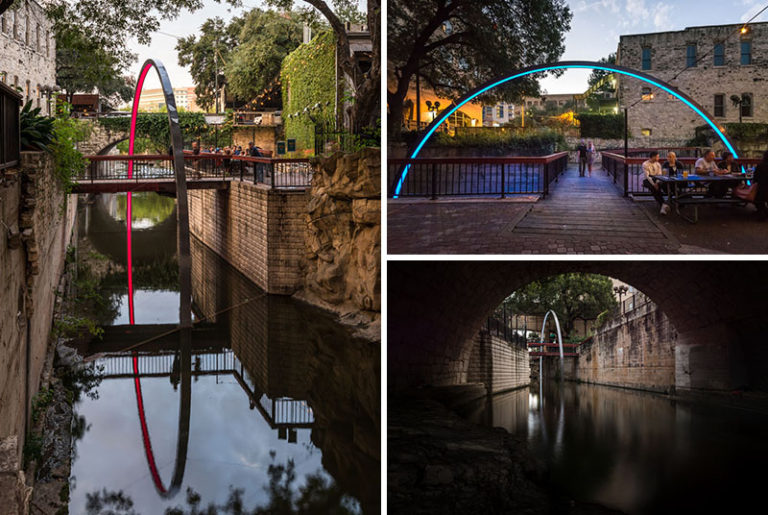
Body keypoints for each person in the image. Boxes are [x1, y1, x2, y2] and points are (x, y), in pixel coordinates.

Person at [753, 150, 768, 221]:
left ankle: (762, 214)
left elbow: (756, 177)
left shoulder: (760, 165)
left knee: (758, 200)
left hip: (762, 187)